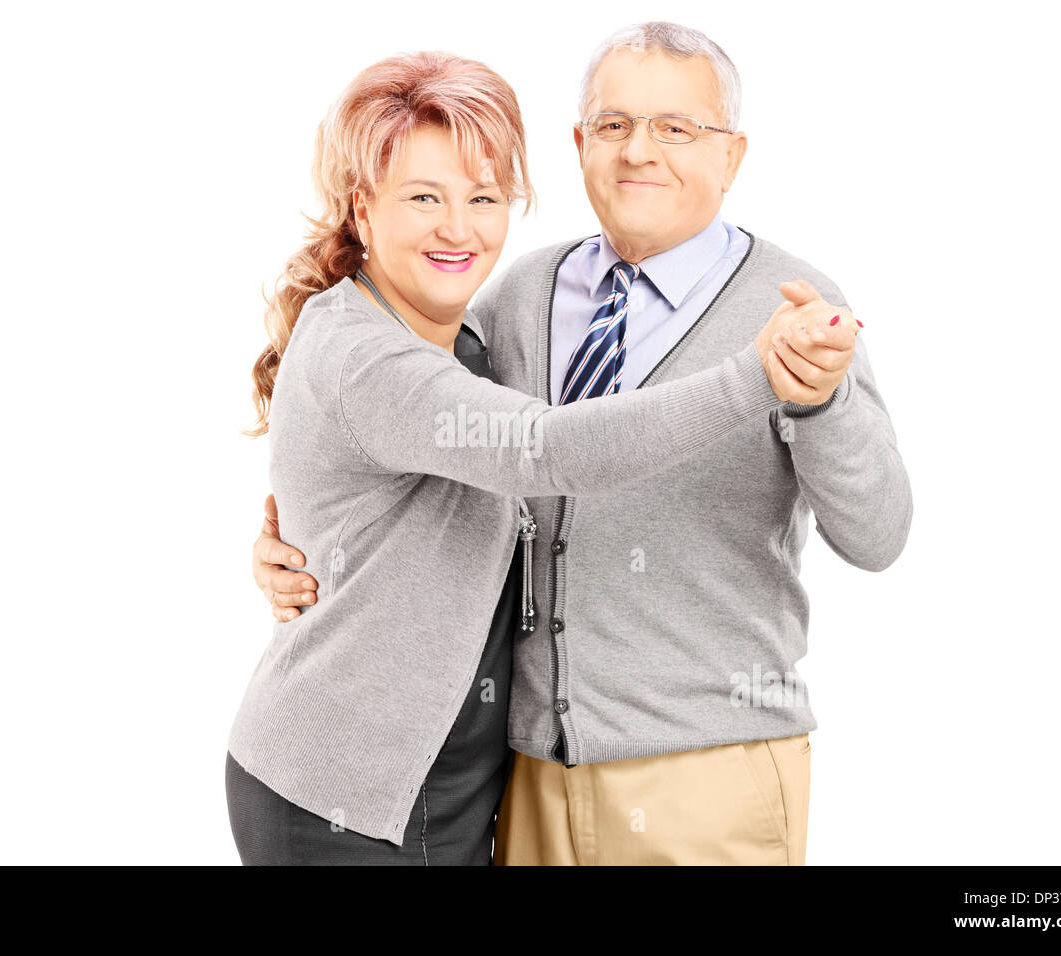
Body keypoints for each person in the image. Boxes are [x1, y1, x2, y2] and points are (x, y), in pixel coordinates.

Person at [253, 21, 910, 865]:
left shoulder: (795, 309)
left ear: (733, 156)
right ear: (579, 145)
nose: (640, 151)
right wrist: (302, 542)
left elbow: (879, 536)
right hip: (527, 779)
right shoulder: (517, 295)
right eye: (614, 124)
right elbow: (457, 444)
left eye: (677, 127)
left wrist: (820, 403)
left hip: (706, 775)